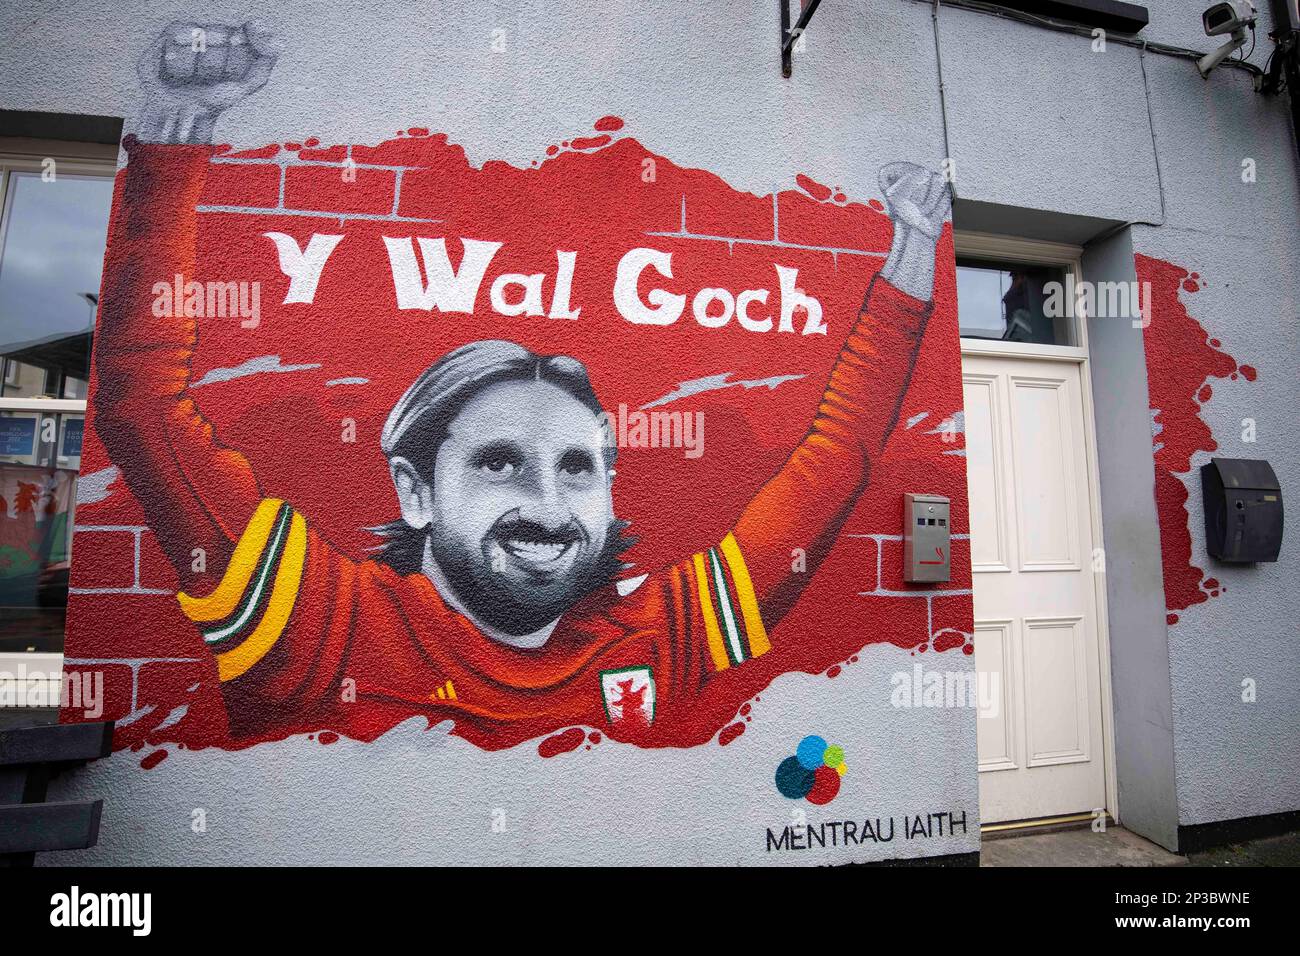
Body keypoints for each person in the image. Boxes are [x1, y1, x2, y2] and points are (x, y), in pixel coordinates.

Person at [92, 21, 953, 750]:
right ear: (415, 489)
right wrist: (176, 133)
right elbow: (140, 406)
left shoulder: (662, 634)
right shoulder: (315, 623)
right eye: (500, 463)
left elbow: (836, 458)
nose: (548, 503)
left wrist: (914, 249)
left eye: (580, 466)